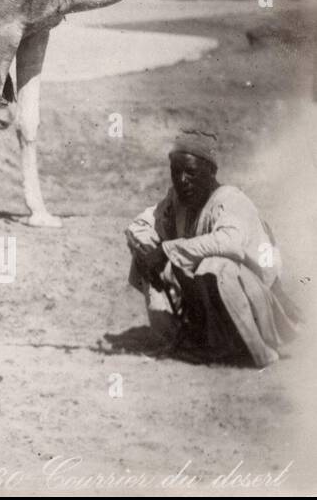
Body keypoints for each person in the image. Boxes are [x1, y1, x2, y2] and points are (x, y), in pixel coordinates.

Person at [125, 129, 301, 367]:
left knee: (214, 264)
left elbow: (229, 243)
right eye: (176, 173)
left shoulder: (230, 201)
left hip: (257, 305)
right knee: (147, 252)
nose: (182, 180)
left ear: (211, 172)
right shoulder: (179, 200)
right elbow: (141, 224)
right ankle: (187, 338)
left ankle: (252, 352)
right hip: (213, 305)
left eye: (191, 172)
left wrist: (167, 250)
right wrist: (148, 249)